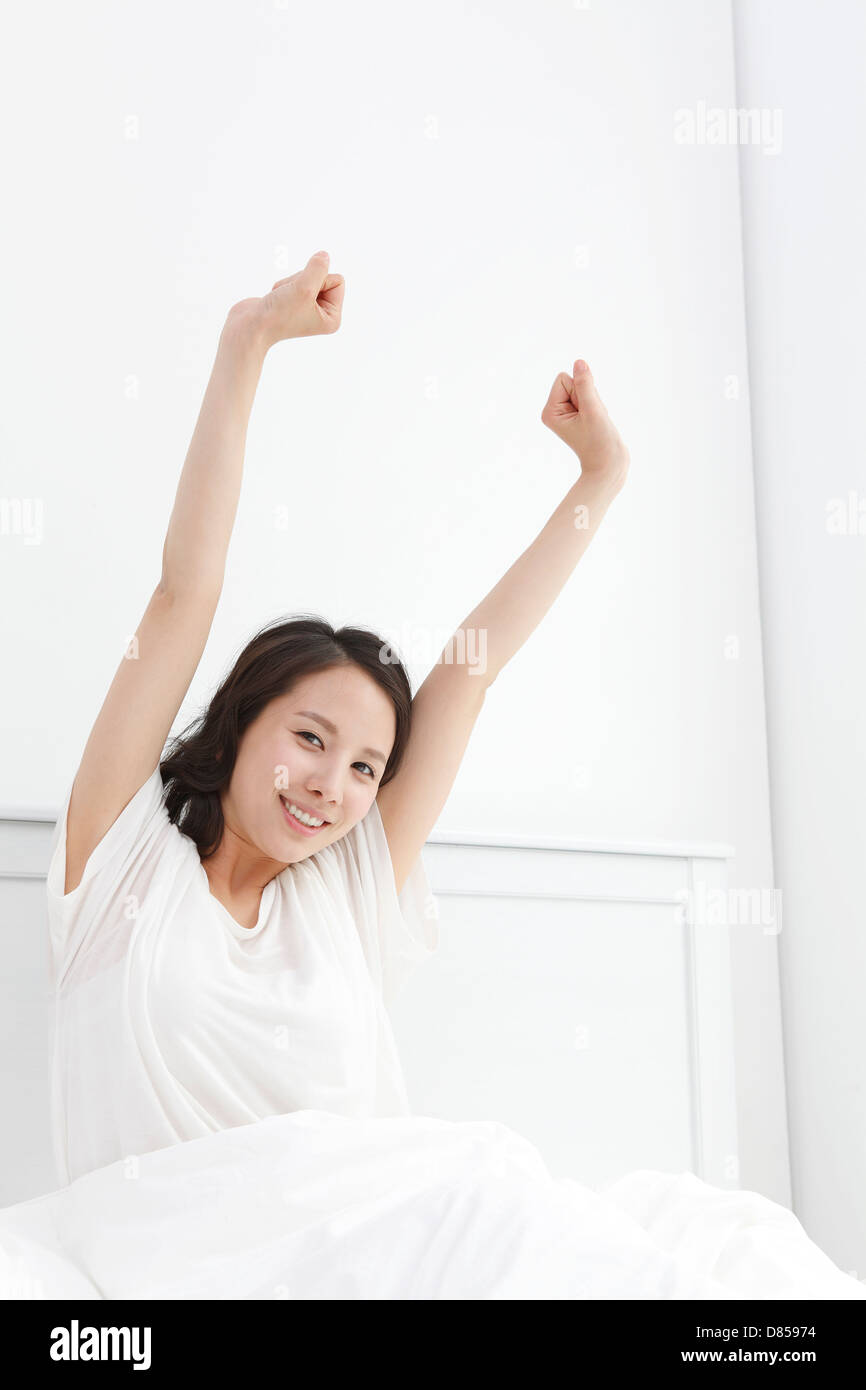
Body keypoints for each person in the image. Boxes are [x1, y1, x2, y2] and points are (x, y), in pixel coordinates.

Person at [30, 251, 863, 1300]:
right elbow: (184, 594)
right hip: (190, 1260)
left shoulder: (344, 892)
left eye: (367, 764)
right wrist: (247, 345)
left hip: (370, 1243)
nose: (332, 783)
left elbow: (469, 673)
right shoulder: (119, 864)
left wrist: (596, 481)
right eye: (311, 738)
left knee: (686, 1245)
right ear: (239, 726)